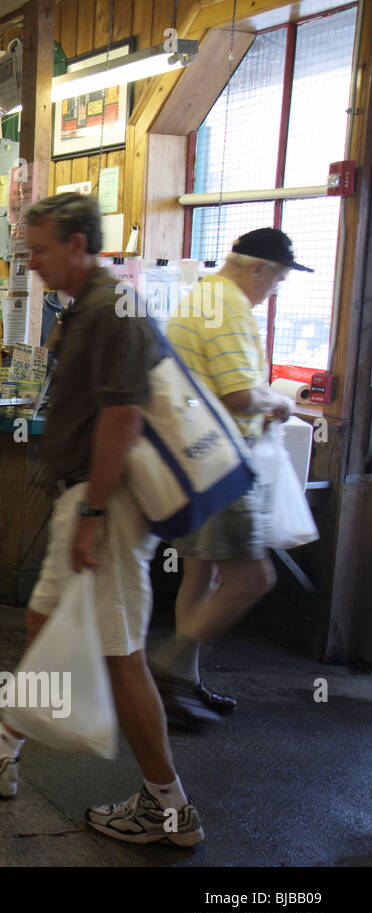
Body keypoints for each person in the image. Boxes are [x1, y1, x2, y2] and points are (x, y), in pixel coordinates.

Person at [0, 193, 204, 846]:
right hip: (84, 500)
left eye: (42, 249)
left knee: (120, 656)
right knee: (45, 621)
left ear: (80, 244)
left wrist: (92, 512)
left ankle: (169, 809)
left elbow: (122, 418)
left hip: (105, 505)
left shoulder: (113, 310)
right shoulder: (90, 306)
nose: (33, 260)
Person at [151, 229, 308, 728]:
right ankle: (165, 672)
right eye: (278, 279)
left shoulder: (202, 296)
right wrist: (281, 402)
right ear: (257, 267)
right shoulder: (229, 305)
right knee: (253, 578)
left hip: (194, 457)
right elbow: (241, 395)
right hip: (220, 461)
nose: (274, 291)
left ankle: (186, 685)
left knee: (203, 573)